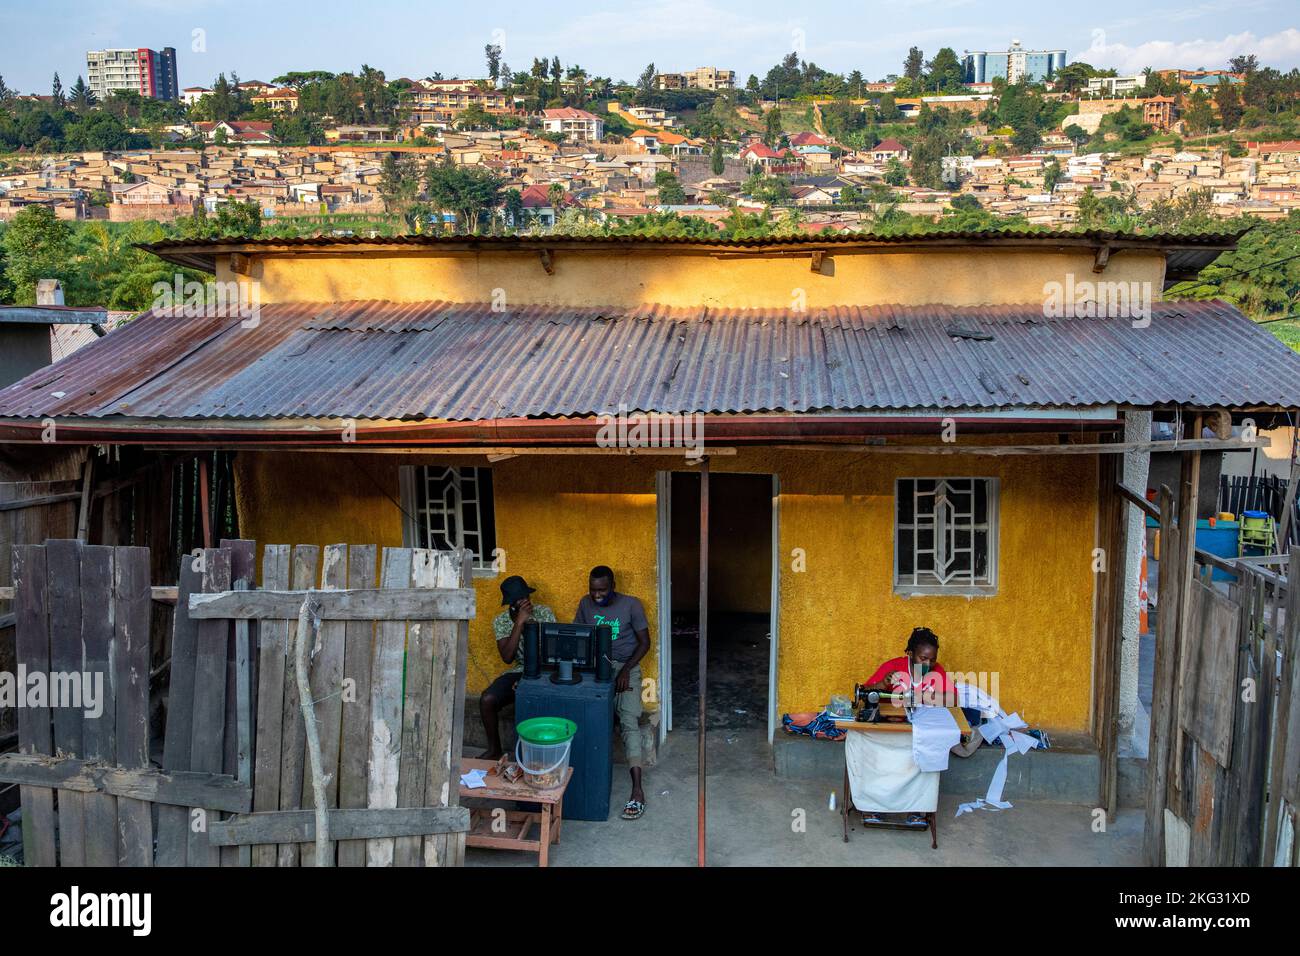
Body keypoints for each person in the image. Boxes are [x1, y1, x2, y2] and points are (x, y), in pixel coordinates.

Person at [574, 565, 651, 820]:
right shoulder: (585, 604)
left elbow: (645, 642)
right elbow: (580, 637)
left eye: (602, 590)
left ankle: (637, 790)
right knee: (591, 719)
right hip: (598, 668)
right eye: (593, 590)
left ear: (613, 586)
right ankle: (587, 780)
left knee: (628, 721)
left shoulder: (631, 605)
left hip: (627, 667)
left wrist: (626, 670)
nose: (596, 595)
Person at [481, 574, 555, 760]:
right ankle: (494, 750)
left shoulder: (544, 612)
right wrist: (519, 623)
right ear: (511, 604)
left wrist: (527, 680)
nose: (526, 601)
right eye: (519, 599)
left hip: (545, 671)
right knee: (487, 699)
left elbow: (553, 652)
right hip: (519, 670)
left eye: (526, 597)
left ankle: (539, 753)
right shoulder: (501, 621)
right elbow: (507, 656)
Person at [863, 626, 956, 706]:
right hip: (892, 722)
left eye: (932, 660)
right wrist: (883, 684)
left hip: (922, 723)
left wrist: (924, 695)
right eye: (923, 658)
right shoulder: (893, 666)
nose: (927, 664)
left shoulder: (937, 669)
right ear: (911, 653)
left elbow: (954, 699)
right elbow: (863, 693)